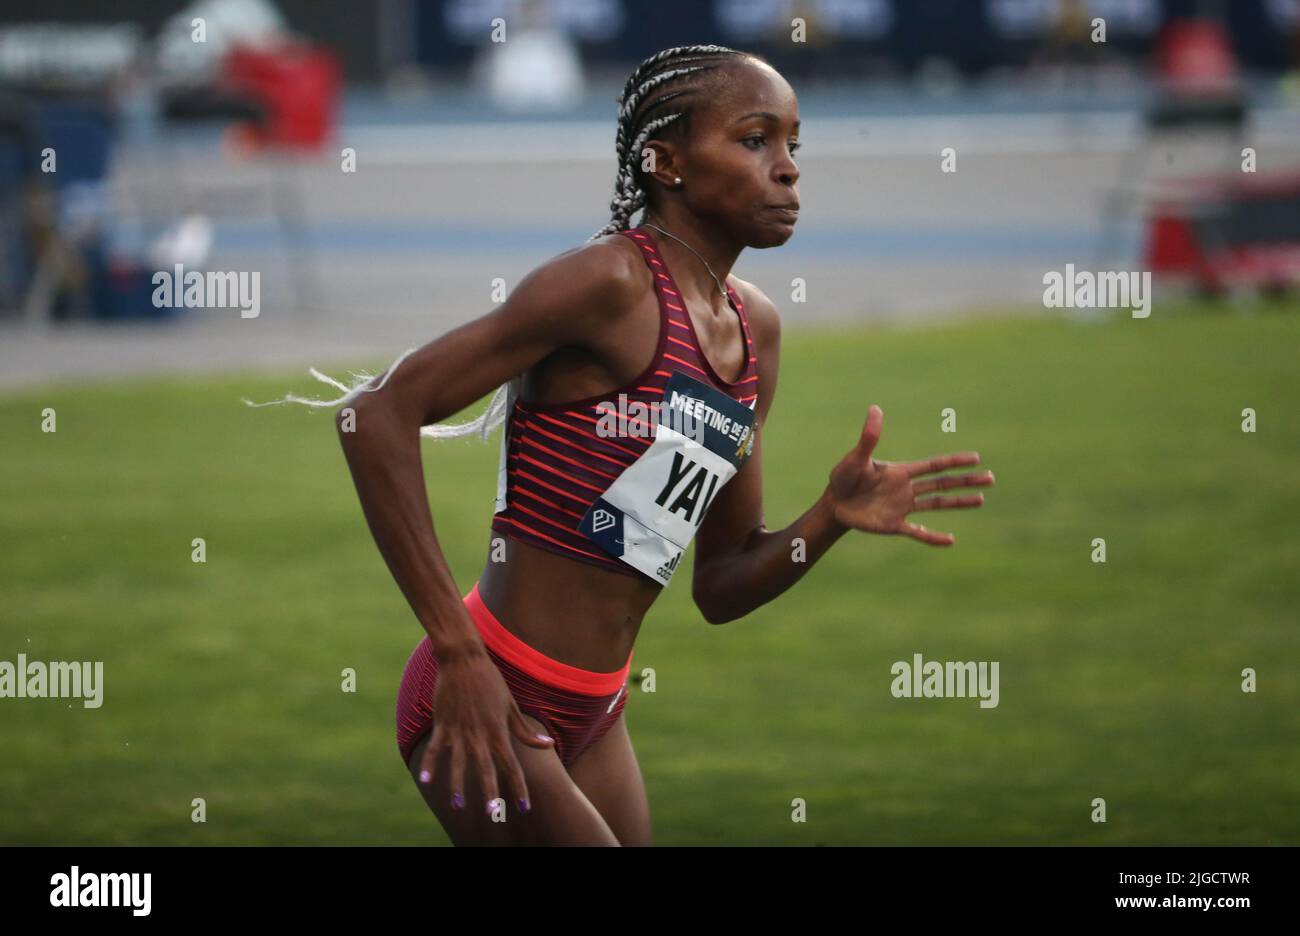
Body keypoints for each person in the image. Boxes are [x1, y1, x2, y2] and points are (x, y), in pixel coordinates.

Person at [289, 44, 994, 845]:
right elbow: (373, 415)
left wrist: (827, 518)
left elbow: (721, 585)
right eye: (756, 139)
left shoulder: (754, 331)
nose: (789, 168)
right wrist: (458, 656)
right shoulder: (609, 285)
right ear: (666, 162)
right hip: (490, 687)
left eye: (795, 143)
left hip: (599, 711)